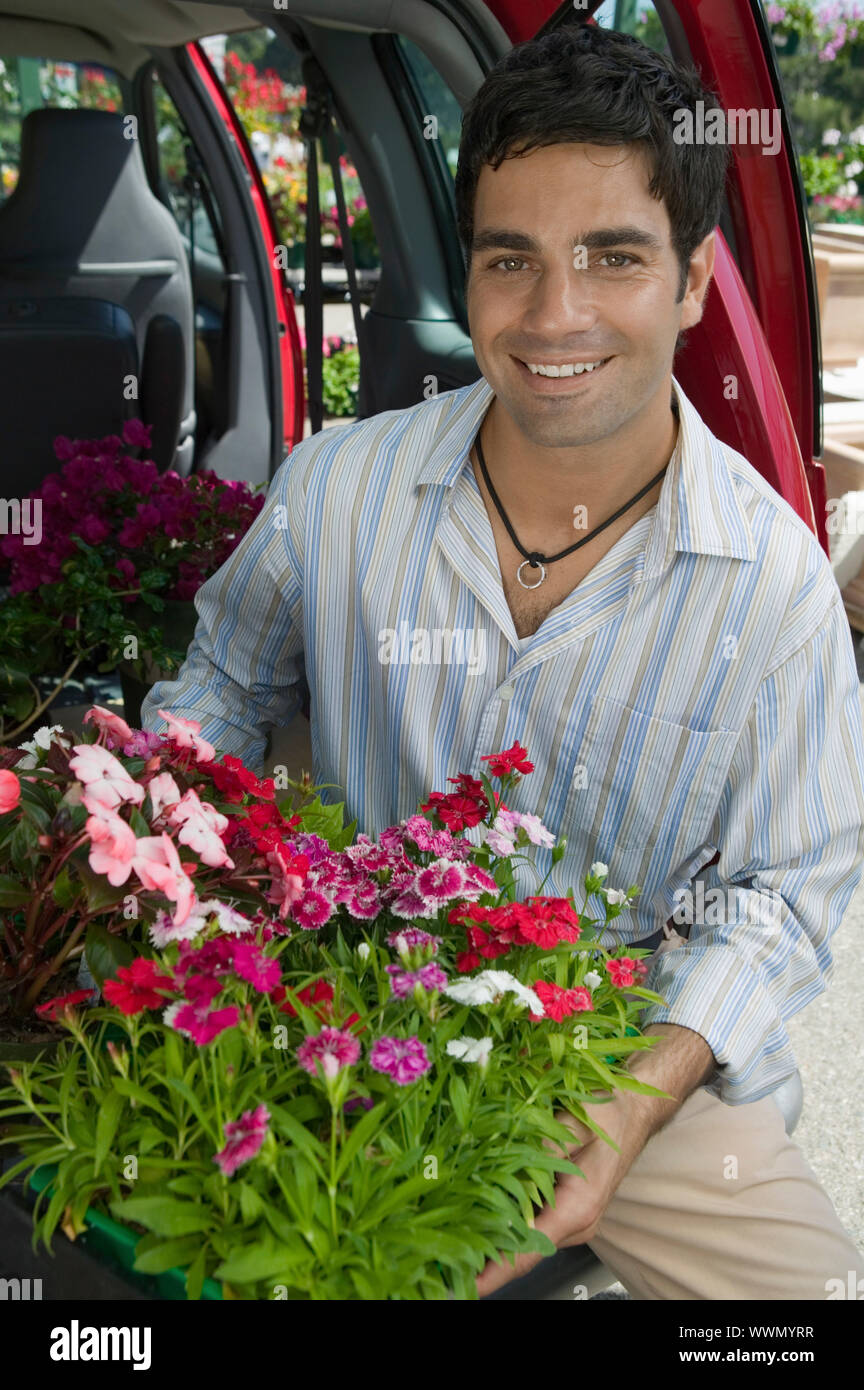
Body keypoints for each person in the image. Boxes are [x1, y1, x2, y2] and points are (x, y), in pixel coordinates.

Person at [141, 24, 864, 1299]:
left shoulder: (778, 590)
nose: (553, 315)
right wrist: (173, 882)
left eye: (614, 259)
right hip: (335, 1003)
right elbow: (213, 708)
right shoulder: (336, 495)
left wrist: (629, 1109)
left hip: (620, 1063)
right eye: (510, 258)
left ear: (695, 279)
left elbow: (782, 891)